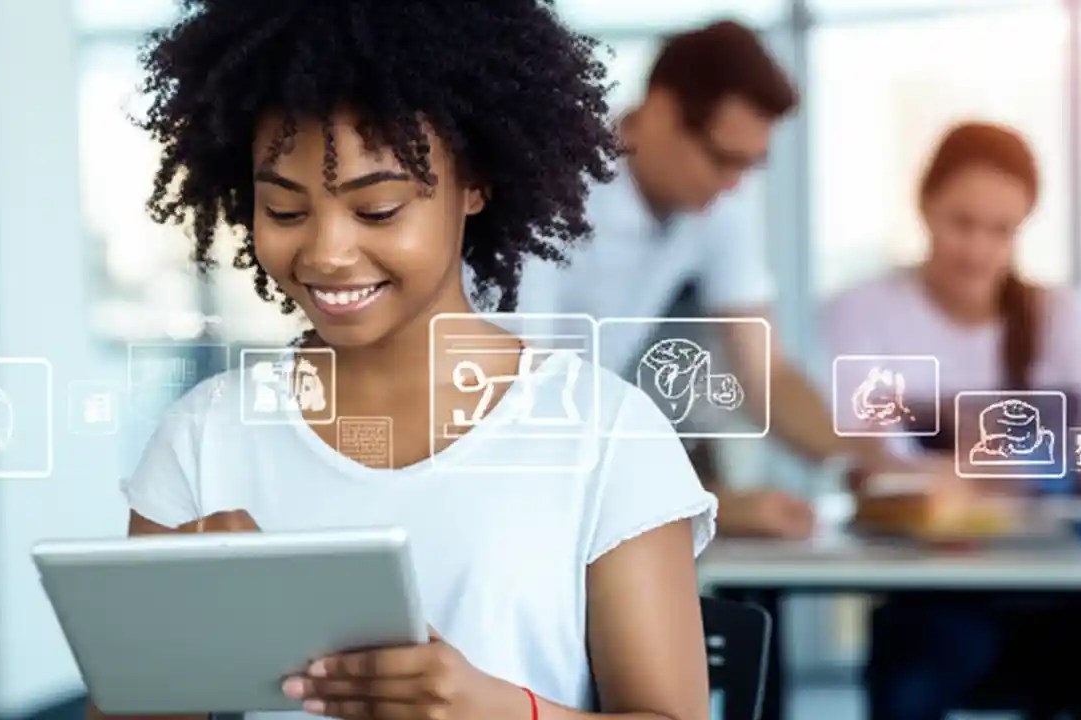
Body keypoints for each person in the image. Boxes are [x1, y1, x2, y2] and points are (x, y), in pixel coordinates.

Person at [104, 2, 717, 719]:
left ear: (477, 182)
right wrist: (170, 630)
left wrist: (499, 710)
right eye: (286, 211)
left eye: (379, 210)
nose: (327, 254)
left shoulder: (605, 435)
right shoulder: (204, 438)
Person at [517, 20, 887, 540]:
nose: (734, 183)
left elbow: (767, 372)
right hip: (514, 461)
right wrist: (702, 503)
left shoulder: (721, 198)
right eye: (722, 158)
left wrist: (870, 465)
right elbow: (523, 396)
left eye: (750, 165)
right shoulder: (551, 183)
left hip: (583, 464)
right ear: (661, 111)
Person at [824, 121, 1081, 719]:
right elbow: (875, 465)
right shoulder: (862, 311)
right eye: (961, 223)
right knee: (912, 679)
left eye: (1001, 230)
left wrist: (950, 464)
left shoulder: (1063, 315)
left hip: (1070, 588)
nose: (978, 250)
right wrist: (1025, 462)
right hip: (936, 588)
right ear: (925, 207)